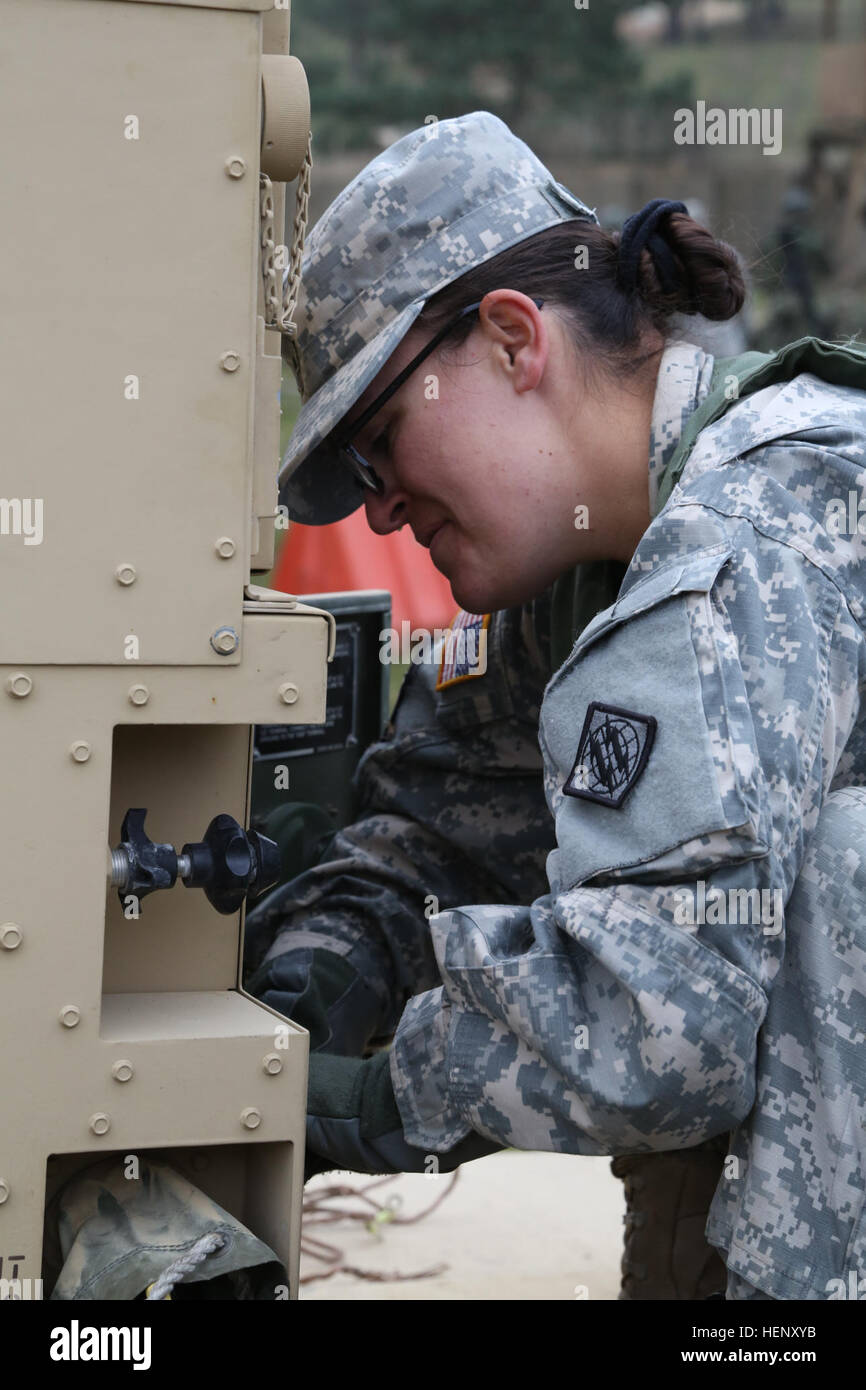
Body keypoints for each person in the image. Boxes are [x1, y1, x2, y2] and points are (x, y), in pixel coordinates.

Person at [246, 111, 866, 1301]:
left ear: (513, 340)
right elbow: (429, 830)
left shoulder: (761, 520)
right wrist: (311, 982)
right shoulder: (568, 578)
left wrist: (363, 1098)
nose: (379, 513)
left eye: (381, 446)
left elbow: (657, 1026)